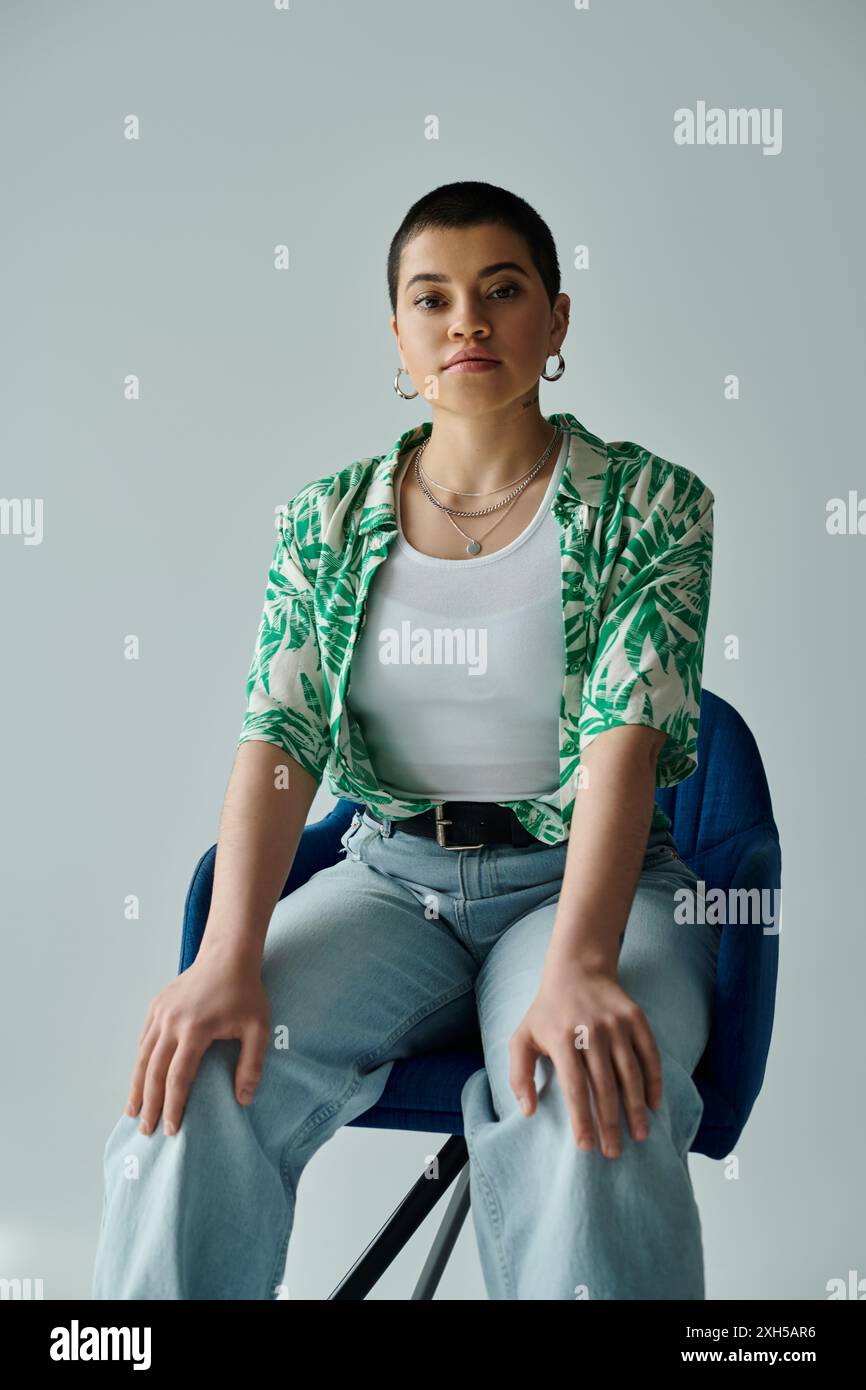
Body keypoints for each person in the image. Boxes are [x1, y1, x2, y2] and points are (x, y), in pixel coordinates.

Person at [91, 180, 719, 1300]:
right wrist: (225, 959)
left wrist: (577, 961)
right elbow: (277, 733)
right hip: (390, 880)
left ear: (556, 321)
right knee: (203, 1069)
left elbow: (629, 726)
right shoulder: (323, 519)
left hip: (580, 882)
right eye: (431, 299)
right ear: (398, 335)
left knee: (587, 1085)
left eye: (501, 291)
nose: (465, 322)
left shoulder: (650, 503)